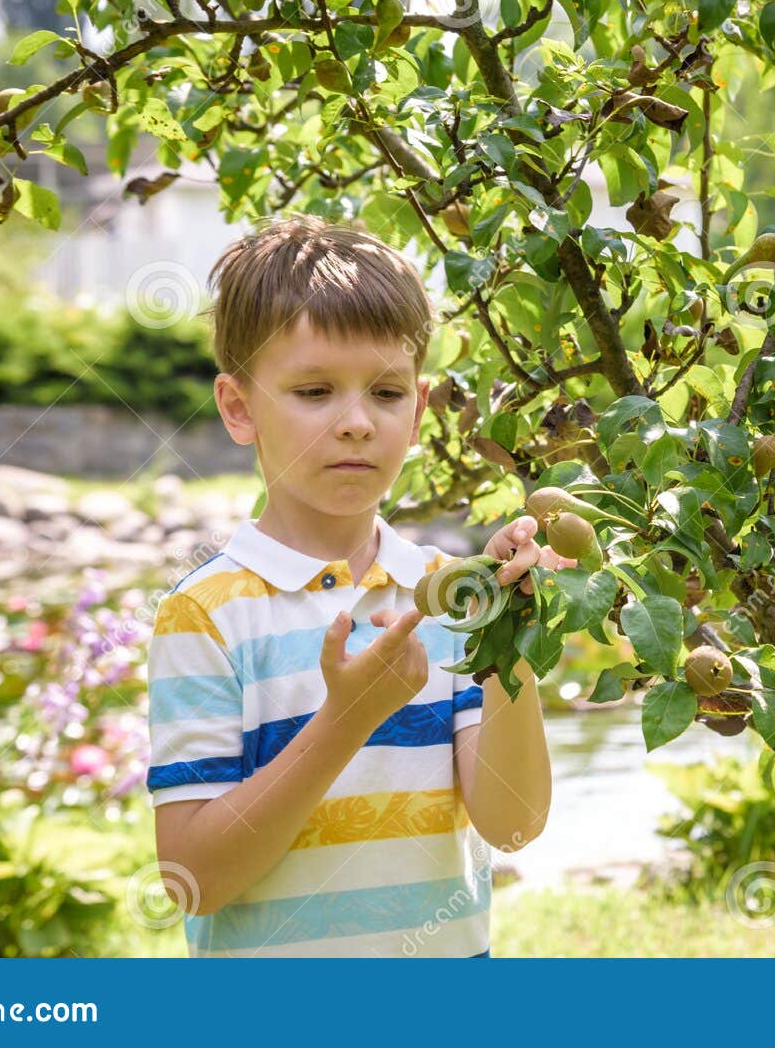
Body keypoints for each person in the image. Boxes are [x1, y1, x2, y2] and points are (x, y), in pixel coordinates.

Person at [145, 215, 572, 956]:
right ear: (239, 407)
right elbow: (195, 878)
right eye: (314, 391)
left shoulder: (450, 598)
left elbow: (511, 825)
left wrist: (510, 641)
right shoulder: (206, 615)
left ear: (418, 408)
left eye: (385, 392)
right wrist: (347, 720)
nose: (355, 423)